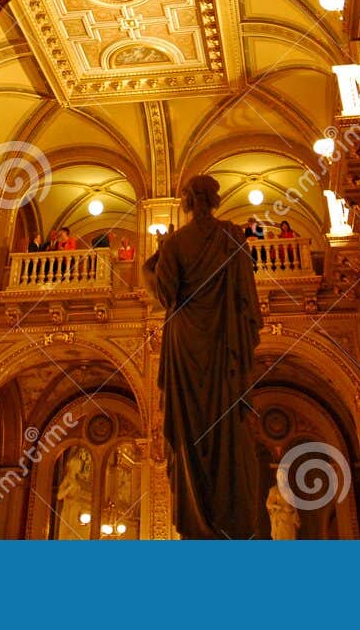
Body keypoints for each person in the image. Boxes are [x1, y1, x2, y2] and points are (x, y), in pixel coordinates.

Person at [144, 175, 264, 538]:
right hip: (224, 345)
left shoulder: (178, 242)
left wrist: (157, 254)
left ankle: (197, 522)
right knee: (228, 424)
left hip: (184, 343)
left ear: (188, 200)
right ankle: (232, 519)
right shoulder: (232, 237)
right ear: (213, 200)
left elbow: (164, 293)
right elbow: (248, 301)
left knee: (188, 430)